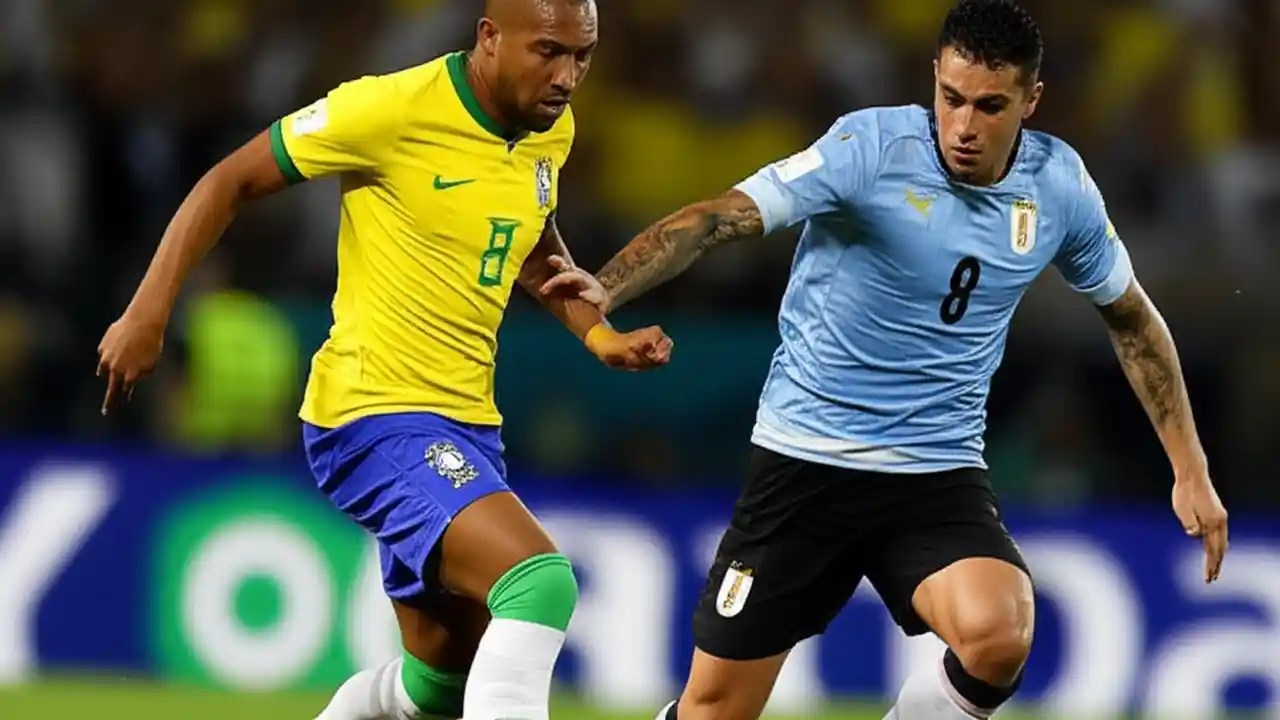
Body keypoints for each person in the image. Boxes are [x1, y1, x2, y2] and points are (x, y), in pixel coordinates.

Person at [541, 1, 1228, 718]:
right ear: (933, 78)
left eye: (990, 106)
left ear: (1032, 100)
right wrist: (607, 287)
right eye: (951, 98)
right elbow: (715, 219)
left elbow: (1133, 321)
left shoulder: (1058, 187)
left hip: (934, 473)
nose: (963, 126)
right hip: (807, 462)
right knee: (715, 709)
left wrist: (1190, 468)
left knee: (1000, 632)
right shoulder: (867, 148)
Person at [95, 1, 673, 719]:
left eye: (583, 57)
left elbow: (524, 237)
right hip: (373, 415)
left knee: (435, 687)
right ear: (489, 37)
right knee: (540, 581)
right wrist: (149, 311)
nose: (568, 76)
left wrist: (598, 334)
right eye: (549, 51)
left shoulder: (548, 130)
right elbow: (229, 179)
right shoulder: (389, 109)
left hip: (468, 426)